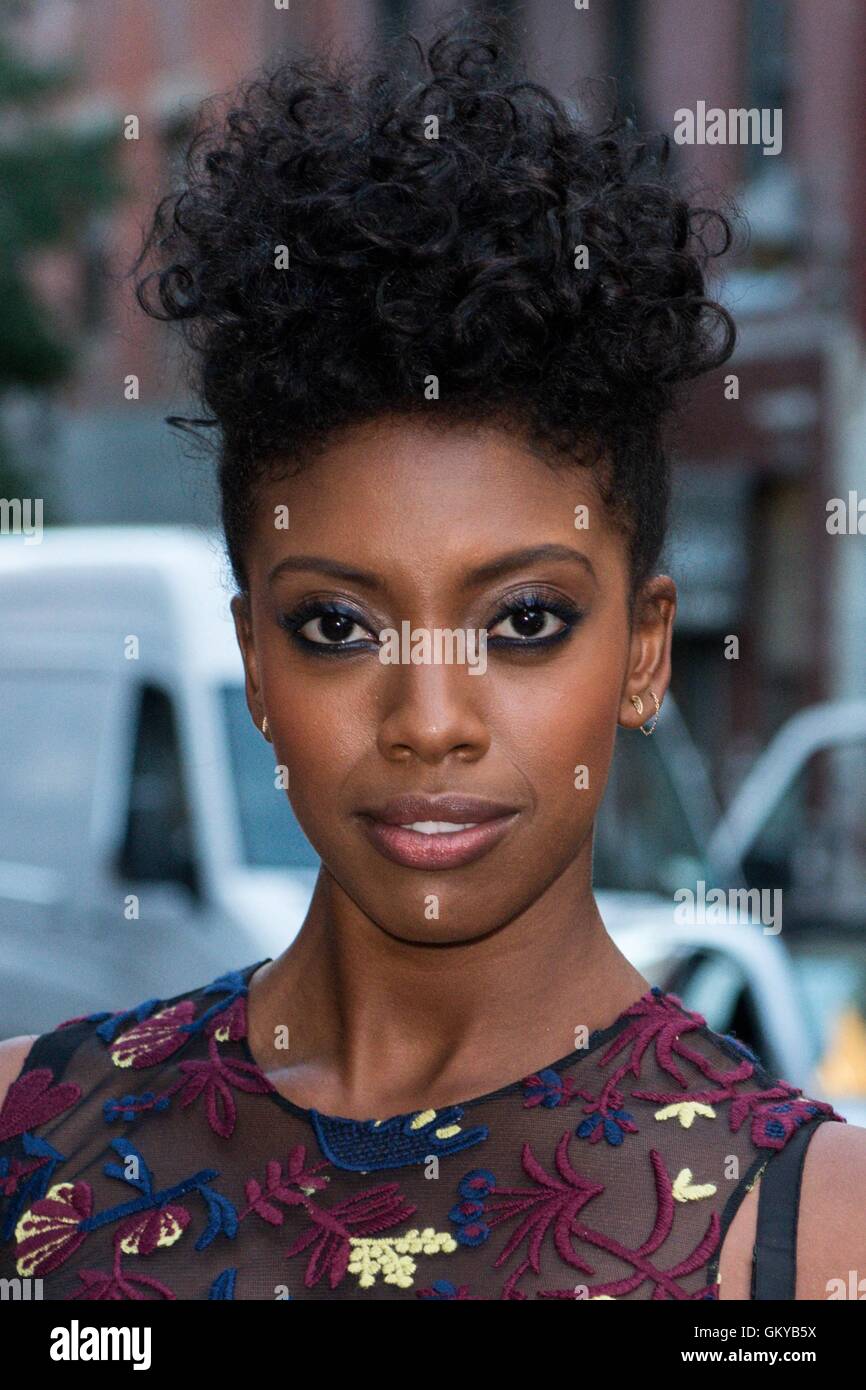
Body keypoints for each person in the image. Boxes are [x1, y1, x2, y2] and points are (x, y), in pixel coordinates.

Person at [1, 17, 863, 1301]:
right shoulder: (28, 1132)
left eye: (522, 620)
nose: (428, 718)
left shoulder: (805, 1238)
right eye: (337, 627)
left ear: (642, 650)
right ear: (253, 658)